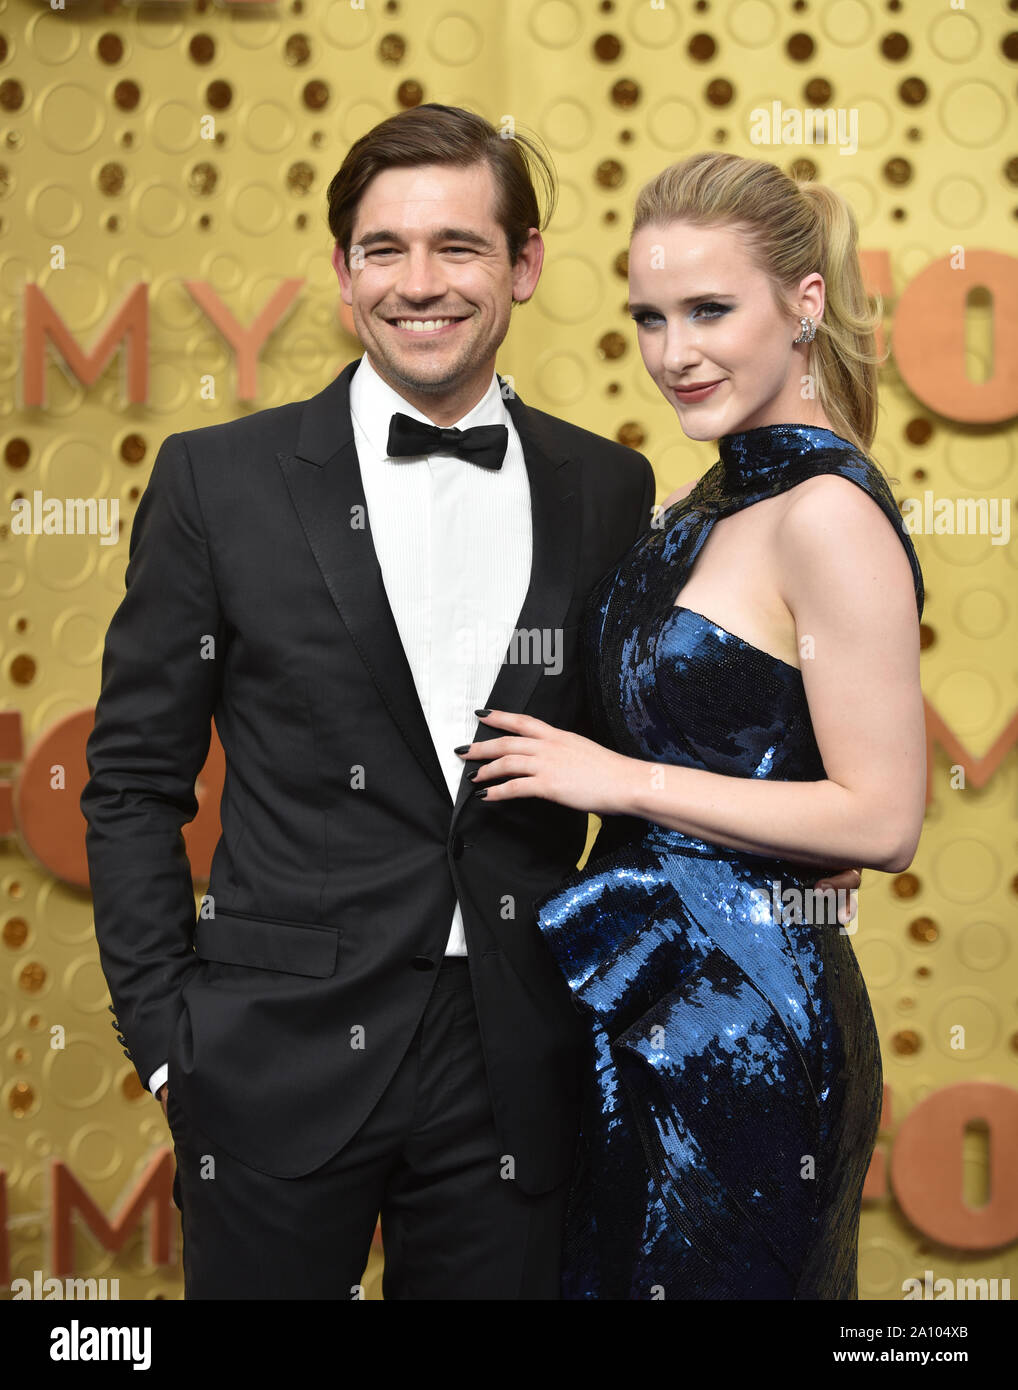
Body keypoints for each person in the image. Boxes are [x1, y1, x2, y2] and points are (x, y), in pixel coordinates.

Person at [81, 109, 860, 1300]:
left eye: (459, 246)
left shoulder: (609, 483)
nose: (419, 283)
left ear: (525, 266)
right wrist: (170, 1048)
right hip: (271, 1056)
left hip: (525, 1058)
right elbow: (134, 780)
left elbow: (652, 724)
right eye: (383, 250)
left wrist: (775, 829)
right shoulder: (214, 479)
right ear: (343, 274)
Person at [456, 152, 925, 1299]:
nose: (675, 352)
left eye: (710, 310)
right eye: (650, 317)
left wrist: (619, 782)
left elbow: (883, 814)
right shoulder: (706, 503)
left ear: (802, 304)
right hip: (639, 999)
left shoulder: (826, 516)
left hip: (747, 1026)